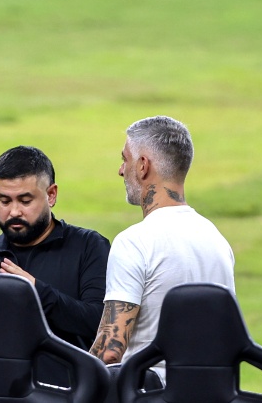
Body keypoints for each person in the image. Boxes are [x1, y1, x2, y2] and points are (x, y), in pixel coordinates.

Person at [0, 145, 111, 387]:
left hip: (65, 396)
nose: (14, 211)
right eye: (4, 200)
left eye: (25, 200)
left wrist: (33, 291)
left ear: (51, 195)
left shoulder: (89, 247)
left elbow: (99, 325)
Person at [90, 116, 235, 382]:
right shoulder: (216, 240)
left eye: (125, 159)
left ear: (143, 165)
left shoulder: (134, 242)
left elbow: (109, 351)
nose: (121, 170)